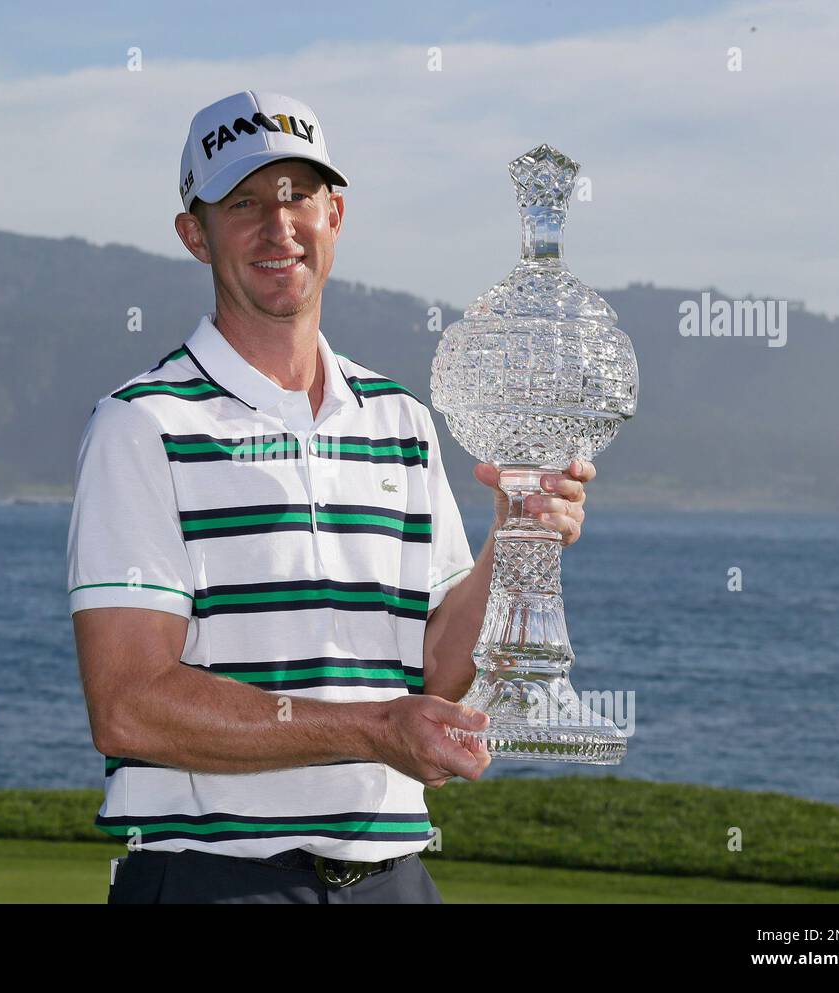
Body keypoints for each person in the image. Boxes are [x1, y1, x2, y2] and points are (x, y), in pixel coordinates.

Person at [67, 89, 594, 904]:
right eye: (243, 203)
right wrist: (375, 730)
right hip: (215, 884)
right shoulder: (142, 424)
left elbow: (438, 666)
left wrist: (515, 539)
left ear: (335, 215)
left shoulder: (402, 420)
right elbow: (130, 706)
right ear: (194, 234)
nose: (278, 227)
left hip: (395, 881)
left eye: (298, 195)